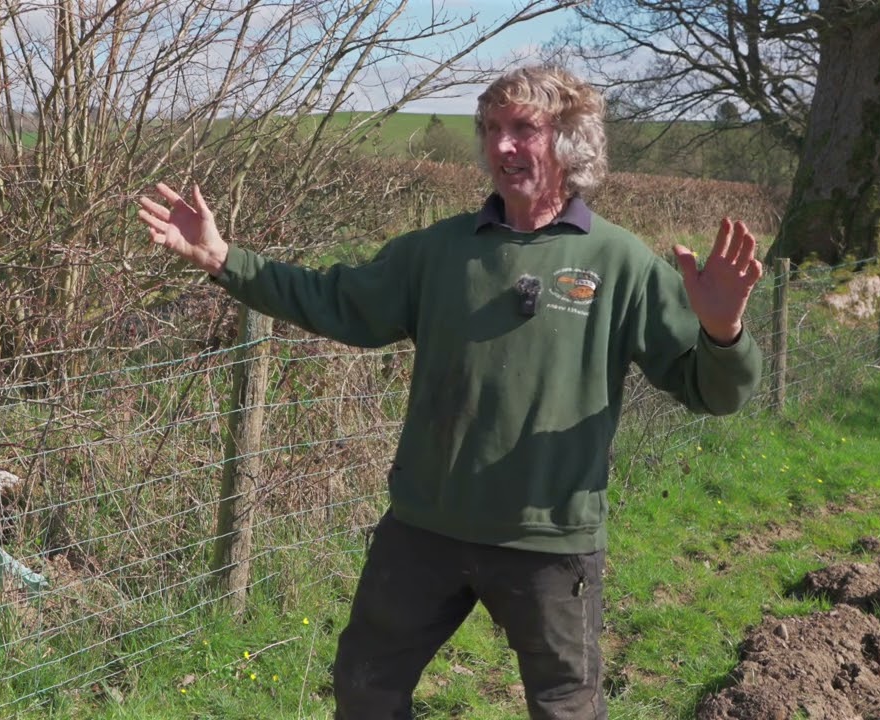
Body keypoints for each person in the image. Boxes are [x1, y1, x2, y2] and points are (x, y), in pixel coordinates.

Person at [137, 65, 763, 720]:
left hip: (547, 542)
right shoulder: (440, 252)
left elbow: (712, 392)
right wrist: (223, 260)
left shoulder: (620, 262)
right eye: (492, 129)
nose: (502, 147)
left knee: (566, 709)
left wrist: (723, 331)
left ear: (572, 141)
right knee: (364, 686)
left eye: (525, 129)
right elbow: (334, 301)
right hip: (425, 528)